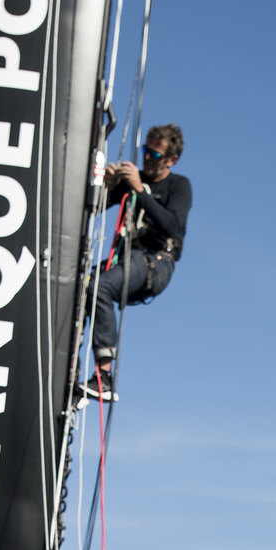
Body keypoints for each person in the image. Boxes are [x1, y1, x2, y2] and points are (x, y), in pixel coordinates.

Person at [82, 123, 191, 402]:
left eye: (155, 156)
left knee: (98, 288)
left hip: (156, 261)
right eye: (146, 152)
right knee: (80, 286)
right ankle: (69, 368)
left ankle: (104, 376)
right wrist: (108, 185)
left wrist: (139, 190)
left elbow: (173, 227)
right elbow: (93, 208)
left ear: (171, 160)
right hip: (127, 258)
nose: (147, 159)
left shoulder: (177, 186)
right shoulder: (132, 181)